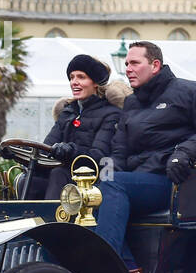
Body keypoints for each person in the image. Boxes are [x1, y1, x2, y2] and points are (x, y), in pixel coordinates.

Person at [93, 41, 196, 273]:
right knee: (91, 193)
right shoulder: (131, 103)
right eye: (127, 63)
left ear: (155, 65)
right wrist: (101, 177)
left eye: (135, 63)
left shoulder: (192, 92)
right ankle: (128, 269)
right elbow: (117, 151)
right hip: (136, 182)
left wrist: (185, 151)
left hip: (173, 182)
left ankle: (103, 267)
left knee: (111, 185)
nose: (128, 68)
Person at [9, 54, 122, 198]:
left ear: (95, 83)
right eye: (72, 77)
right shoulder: (68, 112)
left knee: (59, 173)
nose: (74, 82)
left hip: (91, 181)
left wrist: (70, 151)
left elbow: (99, 156)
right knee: (28, 180)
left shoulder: (111, 114)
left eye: (81, 77)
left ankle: (55, 219)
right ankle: (28, 218)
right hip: (64, 174)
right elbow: (46, 147)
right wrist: (18, 152)